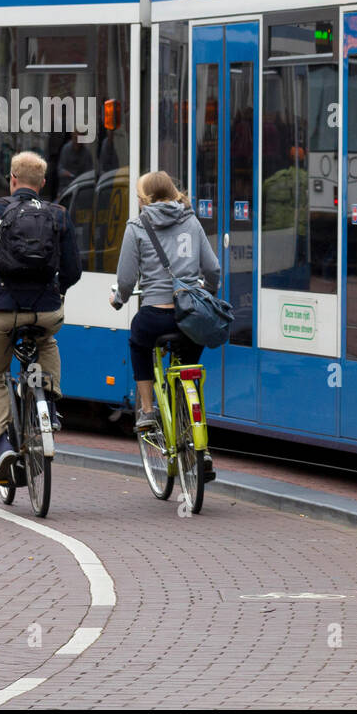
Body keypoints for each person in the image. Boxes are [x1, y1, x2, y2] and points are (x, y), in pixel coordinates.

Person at [0, 151, 82, 484]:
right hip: (46, 310)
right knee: (47, 339)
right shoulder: (58, 214)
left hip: (1, 312)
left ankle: (1, 447)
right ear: (42, 183)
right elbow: (73, 269)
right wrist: (59, 291)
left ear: (12, 178)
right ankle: (50, 409)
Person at [110, 170, 221, 481]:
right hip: (190, 316)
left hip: (155, 316)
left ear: (145, 198)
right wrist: (209, 292)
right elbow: (213, 268)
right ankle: (198, 439)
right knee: (187, 366)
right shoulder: (191, 221)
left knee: (137, 340)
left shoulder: (137, 226)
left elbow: (127, 280)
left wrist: (118, 299)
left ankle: (146, 411)